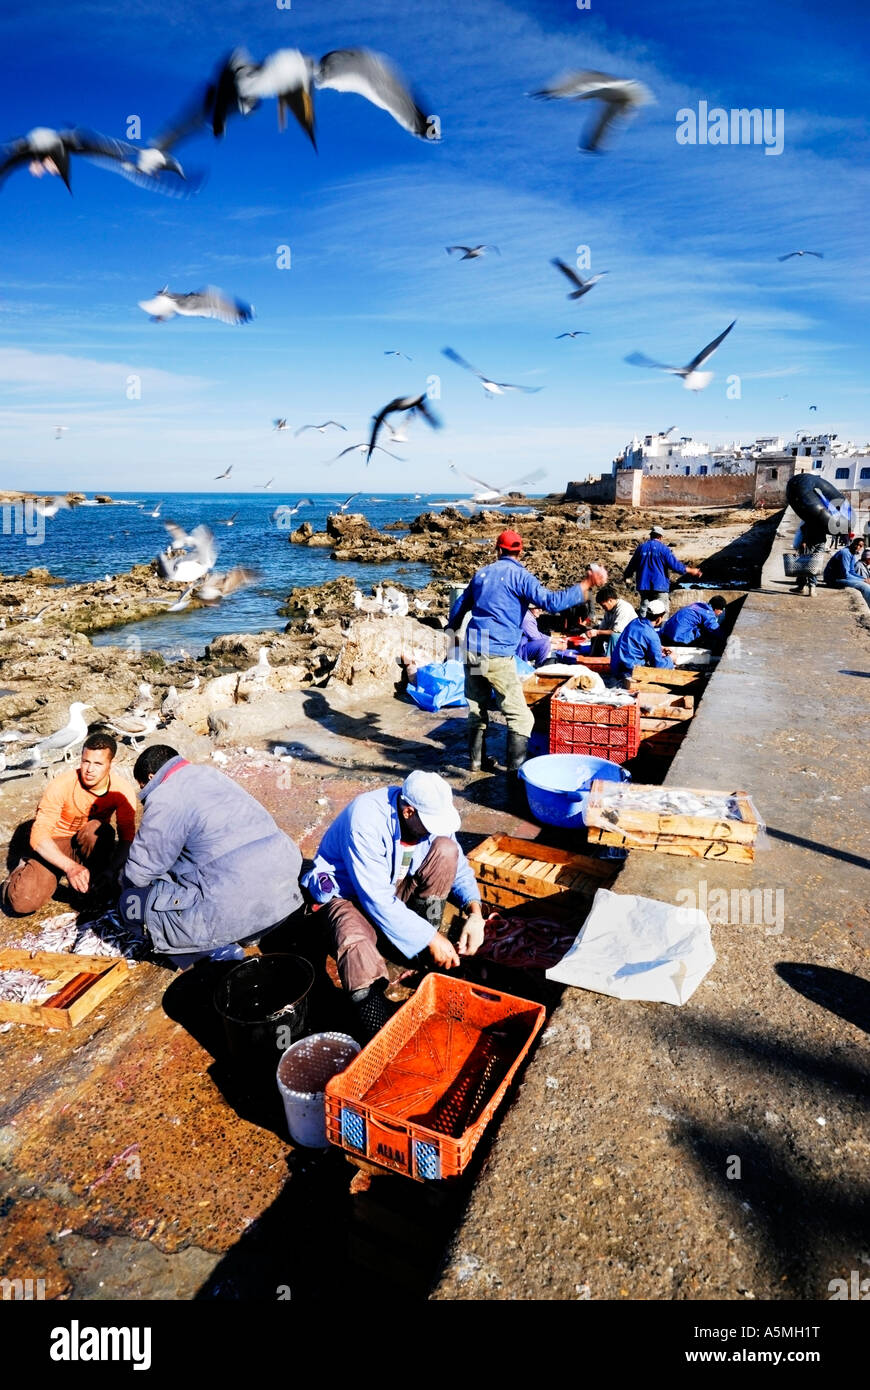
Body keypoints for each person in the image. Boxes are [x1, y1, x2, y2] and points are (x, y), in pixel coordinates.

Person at [303, 771, 484, 1039]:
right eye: (431, 825)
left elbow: (458, 869)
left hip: (393, 885)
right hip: (350, 894)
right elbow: (376, 898)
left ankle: (422, 953)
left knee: (446, 850)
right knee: (354, 943)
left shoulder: (429, 818)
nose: (436, 830)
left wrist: (475, 912)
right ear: (409, 811)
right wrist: (431, 937)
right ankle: (376, 1022)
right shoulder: (365, 820)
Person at [117, 745, 303, 964]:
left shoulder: (164, 795)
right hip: (284, 893)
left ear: (150, 777)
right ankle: (249, 932)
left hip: (238, 905)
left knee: (130, 902)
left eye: (143, 787)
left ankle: (210, 953)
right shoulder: (210, 774)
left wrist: (122, 881)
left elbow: (139, 873)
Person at [448, 529, 607, 786]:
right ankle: (514, 776)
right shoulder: (520, 576)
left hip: (473, 651)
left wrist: (452, 630)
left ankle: (476, 762)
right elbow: (552, 602)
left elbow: (459, 605)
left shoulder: (482, 574)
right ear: (519, 552)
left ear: (497, 550)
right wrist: (586, 585)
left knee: (477, 707)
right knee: (521, 717)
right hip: (497, 654)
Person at [1, 731, 136, 917]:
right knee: (21, 902)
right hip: (55, 844)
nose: (89, 769)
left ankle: (94, 874)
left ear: (110, 764)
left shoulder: (121, 790)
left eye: (98, 764)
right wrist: (70, 867)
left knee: (99, 830)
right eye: (86, 761)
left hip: (88, 843)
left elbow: (127, 837)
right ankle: (23, 868)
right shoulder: (62, 784)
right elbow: (38, 835)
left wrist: (111, 871)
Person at [623, 525, 702, 617]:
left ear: (651, 535)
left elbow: (631, 565)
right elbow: (675, 565)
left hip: (644, 585)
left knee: (644, 609)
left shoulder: (641, 548)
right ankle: (662, 629)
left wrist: (626, 576)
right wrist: (691, 570)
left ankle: (643, 628)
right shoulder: (664, 549)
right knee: (662, 610)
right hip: (659, 585)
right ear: (660, 537)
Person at [609, 599, 674, 685]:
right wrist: (671, 659)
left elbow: (638, 640)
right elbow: (658, 665)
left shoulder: (634, 622)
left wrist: (660, 647)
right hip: (630, 671)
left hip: (616, 668)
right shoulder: (652, 635)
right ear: (659, 619)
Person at [584, 584, 637, 656]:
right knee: (596, 630)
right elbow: (601, 628)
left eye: (603, 605)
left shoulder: (623, 608)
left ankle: (610, 659)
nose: (603, 608)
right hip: (619, 633)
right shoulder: (609, 610)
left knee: (614, 636)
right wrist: (595, 632)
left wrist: (597, 632)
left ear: (610, 600)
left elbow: (616, 631)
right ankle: (595, 655)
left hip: (631, 636)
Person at [659, 595, 727, 647]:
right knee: (707, 633)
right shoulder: (708, 614)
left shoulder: (698, 605)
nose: (721, 612)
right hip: (677, 638)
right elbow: (715, 630)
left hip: (666, 632)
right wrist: (726, 638)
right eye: (721, 610)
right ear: (716, 609)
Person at [823, 538, 870, 607]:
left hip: (841, 577)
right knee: (865, 587)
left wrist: (864, 579)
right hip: (833, 579)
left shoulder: (852, 554)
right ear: (853, 543)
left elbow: (852, 571)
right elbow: (846, 575)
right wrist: (863, 580)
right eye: (856, 544)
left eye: (860, 546)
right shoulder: (845, 553)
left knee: (866, 583)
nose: (857, 547)